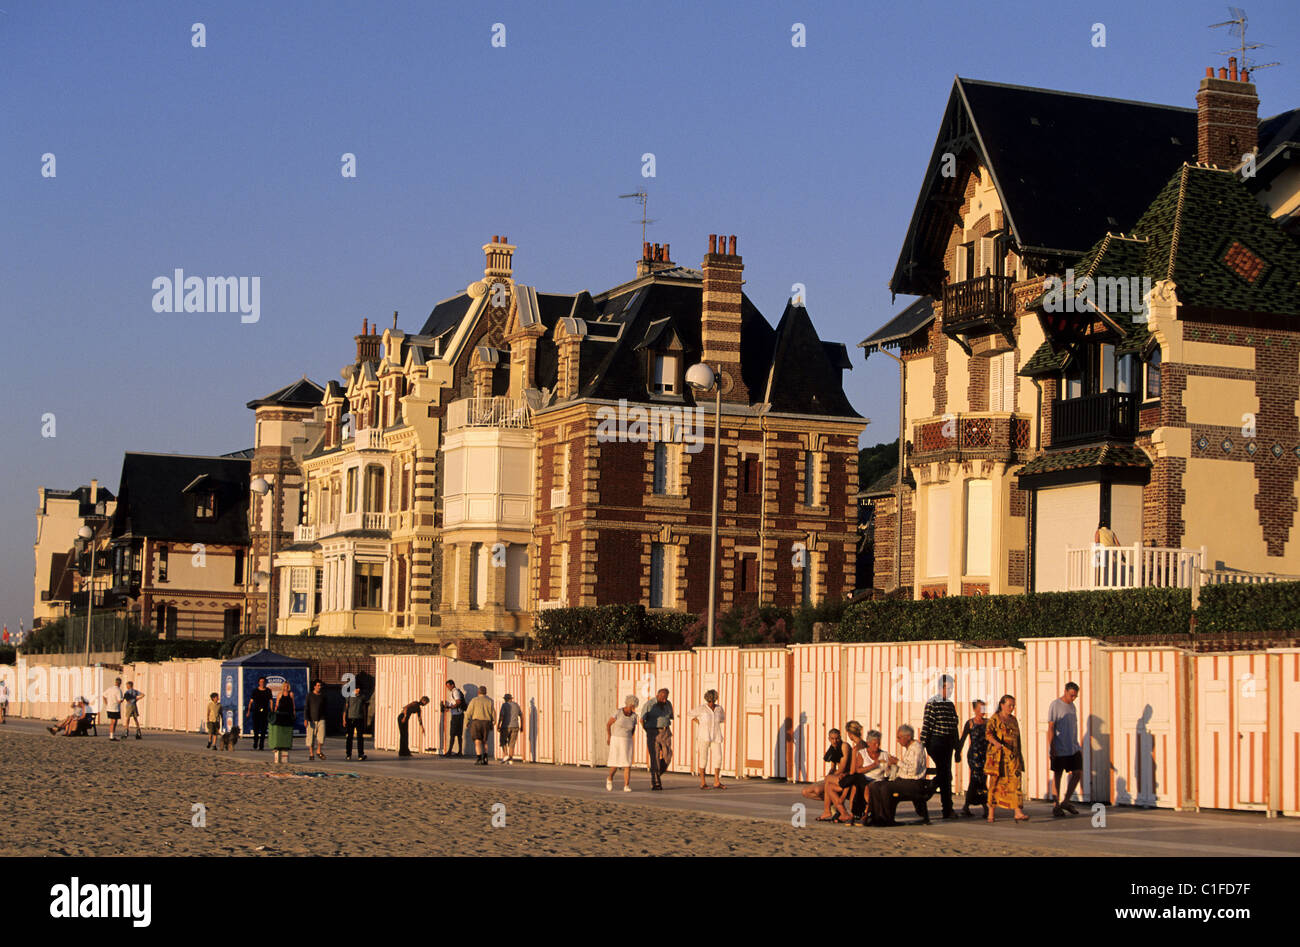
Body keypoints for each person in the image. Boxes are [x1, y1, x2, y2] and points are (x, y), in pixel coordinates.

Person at [867, 724, 930, 826]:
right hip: (904, 781)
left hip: (914, 783)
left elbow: (913, 771)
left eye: (899, 737)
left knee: (886, 788)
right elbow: (903, 769)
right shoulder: (909, 749)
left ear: (908, 737)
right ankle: (876, 817)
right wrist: (892, 766)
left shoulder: (916, 748)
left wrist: (897, 762)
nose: (897, 740)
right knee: (875, 785)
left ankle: (887, 819)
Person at [920, 673, 960, 819]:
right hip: (936, 742)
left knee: (946, 774)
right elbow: (927, 725)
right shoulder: (932, 703)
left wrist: (957, 748)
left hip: (948, 742)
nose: (950, 691)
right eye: (947, 688)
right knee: (945, 773)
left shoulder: (950, 705)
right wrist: (922, 745)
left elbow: (954, 726)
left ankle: (946, 807)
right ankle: (941, 803)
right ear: (939, 688)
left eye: (951, 689)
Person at [985, 694, 1028, 822]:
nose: (1011, 708)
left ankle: (1018, 811)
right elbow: (988, 734)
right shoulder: (995, 719)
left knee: (1016, 782)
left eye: (1013, 705)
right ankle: (991, 813)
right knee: (995, 783)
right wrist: (996, 743)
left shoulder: (1013, 720)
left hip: (1012, 758)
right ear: (1002, 705)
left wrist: (1019, 756)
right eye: (1009, 705)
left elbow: (1017, 739)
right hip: (998, 757)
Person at [1048, 683, 1083, 817]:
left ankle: (1066, 801)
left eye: (1075, 696)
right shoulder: (1055, 705)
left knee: (1077, 773)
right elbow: (1051, 727)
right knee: (1058, 775)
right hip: (1059, 747)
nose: (1073, 698)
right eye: (1071, 695)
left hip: (1073, 747)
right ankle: (1056, 805)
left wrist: (1077, 746)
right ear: (1065, 692)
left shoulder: (1072, 706)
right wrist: (1052, 747)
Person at [845, 728, 892, 823]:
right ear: (868, 743)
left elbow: (888, 771)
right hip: (864, 778)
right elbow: (858, 769)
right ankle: (853, 814)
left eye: (878, 743)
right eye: (874, 743)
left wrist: (888, 767)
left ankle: (866, 814)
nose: (877, 746)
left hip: (878, 780)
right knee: (855, 787)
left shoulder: (884, 754)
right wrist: (873, 765)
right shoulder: (862, 753)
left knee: (869, 787)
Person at [955, 699, 989, 818]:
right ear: (974, 709)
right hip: (974, 755)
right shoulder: (970, 723)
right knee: (975, 779)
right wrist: (957, 753)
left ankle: (969, 806)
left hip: (985, 755)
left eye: (983, 709)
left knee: (983, 779)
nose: (982, 712)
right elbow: (963, 738)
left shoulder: (988, 723)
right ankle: (983, 807)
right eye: (979, 709)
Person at [689, 689, 727, 790]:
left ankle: (716, 781)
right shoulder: (702, 708)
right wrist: (700, 722)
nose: (711, 701)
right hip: (704, 736)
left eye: (713, 699)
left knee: (718, 757)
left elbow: (722, 719)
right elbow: (691, 715)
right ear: (707, 699)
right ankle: (703, 782)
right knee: (703, 758)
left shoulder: (719, 709)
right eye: (710, 699)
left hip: (716, 735)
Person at [640, 688, 674, 790]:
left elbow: (670, 716)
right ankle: (655, 782)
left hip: (665, 732)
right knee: (654, 758)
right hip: (653, 731)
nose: (664, 700)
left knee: (668, 756)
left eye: (666, 698)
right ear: (657, 695)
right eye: (663, 698)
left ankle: (656, 774)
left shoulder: (668, 704)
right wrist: (648, 731)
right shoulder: (649, 704)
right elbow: (642, 720)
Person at [605, 695, 640, 791]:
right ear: (627, 704)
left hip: (627, 741)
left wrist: (629, 738)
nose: (632, 708)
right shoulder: (618, 712)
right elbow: (608, 724)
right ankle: (610, 778)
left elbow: (633, 729)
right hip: (616, 739)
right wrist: (609, 736)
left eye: (634, 706)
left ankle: (626, 785)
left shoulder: (634, 716)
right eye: (631, 706)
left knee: (627, 763)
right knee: (615, 763)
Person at [802, 728, 845, 804]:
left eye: (837, 739)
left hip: (842, 776)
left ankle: (835, 805)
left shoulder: (843, 747)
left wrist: (829, 778)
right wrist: (829, 774)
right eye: (832, 739)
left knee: (818, 790)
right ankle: (833, 801)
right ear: (829, 739)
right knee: (805, 792)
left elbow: (842, 769)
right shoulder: (832, 748)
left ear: (840, 738)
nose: (835, 741)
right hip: (834, 776)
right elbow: (833, 767)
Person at [465, 686, 496, 765]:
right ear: (486, 692)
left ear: (478, 692)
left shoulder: (474, 700)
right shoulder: (489, 701)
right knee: (485, 741)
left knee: (477, 741)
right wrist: (494, 721)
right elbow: (493, 712)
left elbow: (469, 712)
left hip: (476, 722)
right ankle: (485, 757)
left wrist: (467, 721)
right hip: (486, 722)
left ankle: (479, 758)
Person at [269, 682, 296, 764]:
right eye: (285, 686)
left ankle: (286, 745)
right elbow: (277, 704)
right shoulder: (280, 694)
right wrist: (274, 712)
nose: (286, 687)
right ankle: (277, 746)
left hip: (288, 714)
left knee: (287, 730)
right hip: (281, 713)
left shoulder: (291, 694)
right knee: (279, 730)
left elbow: (293, 704)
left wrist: (294, 712)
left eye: (287, 686)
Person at [440, 680, 466, 757]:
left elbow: (458, 702)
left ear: (452, 685)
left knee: (453, 733)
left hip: (457, 715)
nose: (448, 688)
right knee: (458, 734)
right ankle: (459, 752)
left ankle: (450, 751)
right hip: (458, 714)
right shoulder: (455, 692)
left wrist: (449, 707)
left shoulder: (455, 692)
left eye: (448, 686)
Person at [246, 677, 273, 751]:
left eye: (263, 682)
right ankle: (255, 742)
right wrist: (248, 711)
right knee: (256, 729)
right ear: (258, 682)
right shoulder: (255, 691)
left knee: (263, 729)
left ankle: (261, 745)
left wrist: (272, 710)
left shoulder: (268, 691)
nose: (262, 683)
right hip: (256, 712)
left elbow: (271, 701)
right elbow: (251, 702)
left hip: (265, 712)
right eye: (261, 682)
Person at [304, 680, 328, 760]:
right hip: (311, 719)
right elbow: (306, 707)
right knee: (310, 737)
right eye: (318, 685)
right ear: (314, 686)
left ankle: (318, 751)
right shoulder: (309, 695)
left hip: (321, 718)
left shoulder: (323, 696)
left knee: (321, 736)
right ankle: (311, 754)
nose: (319, 687)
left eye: (320, 685)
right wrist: (306, 719)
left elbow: (325, 707)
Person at [343, 685, 368, 761]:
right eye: (356, 688)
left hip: (359, 719)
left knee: (360, 737)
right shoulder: (349, 697)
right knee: (349, 737)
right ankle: (348, 754)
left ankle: (360, 754)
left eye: (359, 688)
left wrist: (365, 720)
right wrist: (344, 719)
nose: (358, 690)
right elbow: (345, 708)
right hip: (350, 719)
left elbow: (364, 709)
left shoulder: (362, 697)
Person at [498, 692, 522, 764]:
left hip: (506, 726)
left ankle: (505, 755)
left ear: (505, 699)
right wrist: (522, 726)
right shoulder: (516, 705)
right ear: (511, 699)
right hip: (515, 726)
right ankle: (511, 758)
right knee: (512, 742)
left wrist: (499, 724)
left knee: (503, 741)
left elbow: (501, 716)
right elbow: (521, 715)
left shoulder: (504, 705)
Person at [102, 677, 124, 742]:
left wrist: (106, 702)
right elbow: (119, 700)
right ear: (120, 683)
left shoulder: (110, 689)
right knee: (113, 722)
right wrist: (123, 699)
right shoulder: (118, 690)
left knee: (113, 721)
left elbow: (103, 695)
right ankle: (111, 736)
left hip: (109, 707)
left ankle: (112, 735)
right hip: (115, 708)